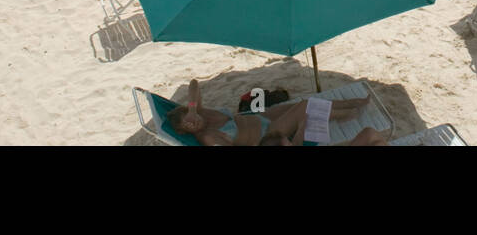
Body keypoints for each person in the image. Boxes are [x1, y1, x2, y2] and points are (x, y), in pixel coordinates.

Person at [164, 76, 383, 146]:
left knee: (304, 103)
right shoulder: (208, 137)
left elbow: (193, 83)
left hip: (260, 118)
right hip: (266, 135)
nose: (193, 122)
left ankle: (349, 107)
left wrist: (193, 110)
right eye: (188, 125)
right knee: (306, 108)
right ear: (185, 132)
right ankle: (352, 110)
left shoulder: (200, 113)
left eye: (189, 118)